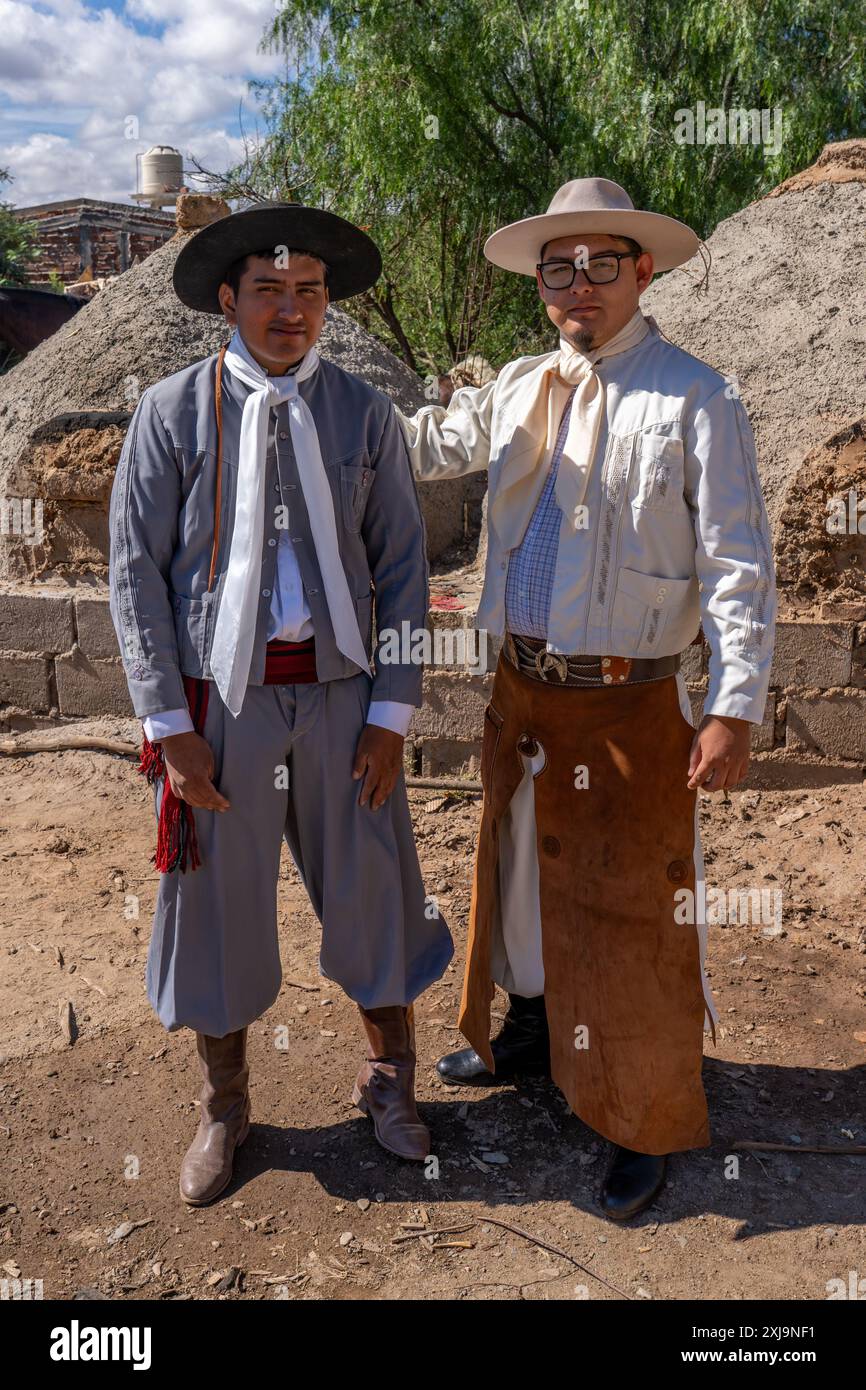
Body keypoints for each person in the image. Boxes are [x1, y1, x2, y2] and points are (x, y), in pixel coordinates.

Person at [395, 178, 776, 1220]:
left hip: (628, 705)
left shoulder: (698, 396)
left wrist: (732, 703)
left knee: (633, 911)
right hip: (521, 695)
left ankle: (642, 1113)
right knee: (519, 877)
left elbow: (737, 565)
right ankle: (529, 1031)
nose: (577, 285)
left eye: (600, 263)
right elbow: (427, 445)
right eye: (557, 268)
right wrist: (310, 393)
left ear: (641, 271)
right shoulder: (519, 384)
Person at [108, 202, 453, 1205]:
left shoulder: (361, 415)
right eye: (268, 289)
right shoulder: (170, 414)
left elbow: (400, 563)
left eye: (308, 292)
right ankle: (226, 1105)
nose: (290, 309)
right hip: (225, 707)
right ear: (228, 298)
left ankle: (387, 1082)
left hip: (343, 699)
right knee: (215, 902)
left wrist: (392, 714)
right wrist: (171, 729)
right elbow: (135, 579)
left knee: (374, 888)